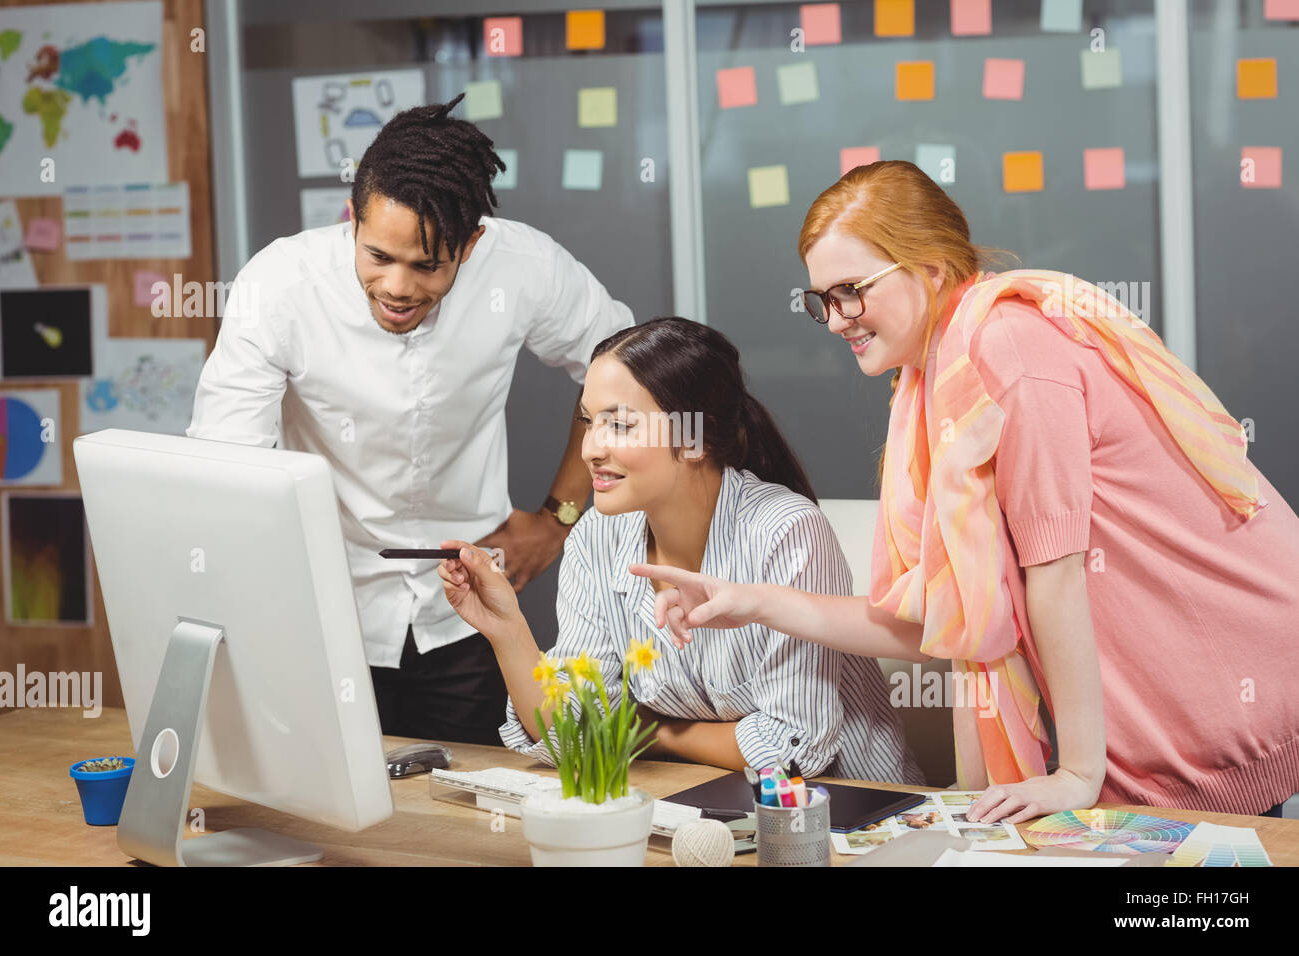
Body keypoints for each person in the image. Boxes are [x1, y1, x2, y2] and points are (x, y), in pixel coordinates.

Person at [633, 161, 1299, 823]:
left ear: (929, 270)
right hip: (1164, 723)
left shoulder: (1009, 347)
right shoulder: (928, 386)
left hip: (1247, 688)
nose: (836, 320)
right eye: (822, 301)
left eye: (850, 291)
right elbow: (939, 625)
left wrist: (1075, 775)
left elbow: (1058, 573)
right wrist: (747, 600)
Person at [186, 94, 633, 744]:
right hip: (320, 617)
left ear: (472, 243)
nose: (397, 287)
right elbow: (229, 468)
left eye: (427, 265)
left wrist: (557, 521)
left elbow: (623, 378)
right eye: (377, 256)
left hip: (462, 615)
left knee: (466, 822)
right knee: (326, 823)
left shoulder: (526, 268)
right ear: (353, 217)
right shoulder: (280, 286)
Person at [436, 317, 923, 781]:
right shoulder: (596, 537)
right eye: (589, 421)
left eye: (620, 425)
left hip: (845, 818)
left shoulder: (784, 530)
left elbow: (792, 748)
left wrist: (648, 729)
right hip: (697, 810)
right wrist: (508, 631)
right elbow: (577, 739)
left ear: (692, 439)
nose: (590, 449)